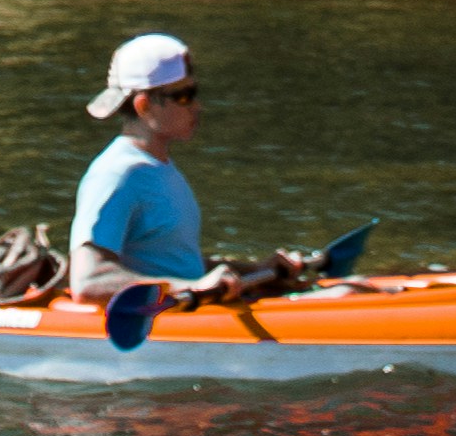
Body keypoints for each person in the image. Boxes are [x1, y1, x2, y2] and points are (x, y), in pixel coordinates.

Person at [68, 33, 302, 311]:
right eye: (183, 96)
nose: (196, 106)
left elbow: (177, 264)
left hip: (189, 310)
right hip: (150, 324)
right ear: (144, 106)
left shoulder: (160, 169)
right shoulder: (116, 174)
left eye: (194, 93)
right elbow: (88, 282)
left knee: (350, 288)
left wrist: (254, 271)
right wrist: (189, 288)